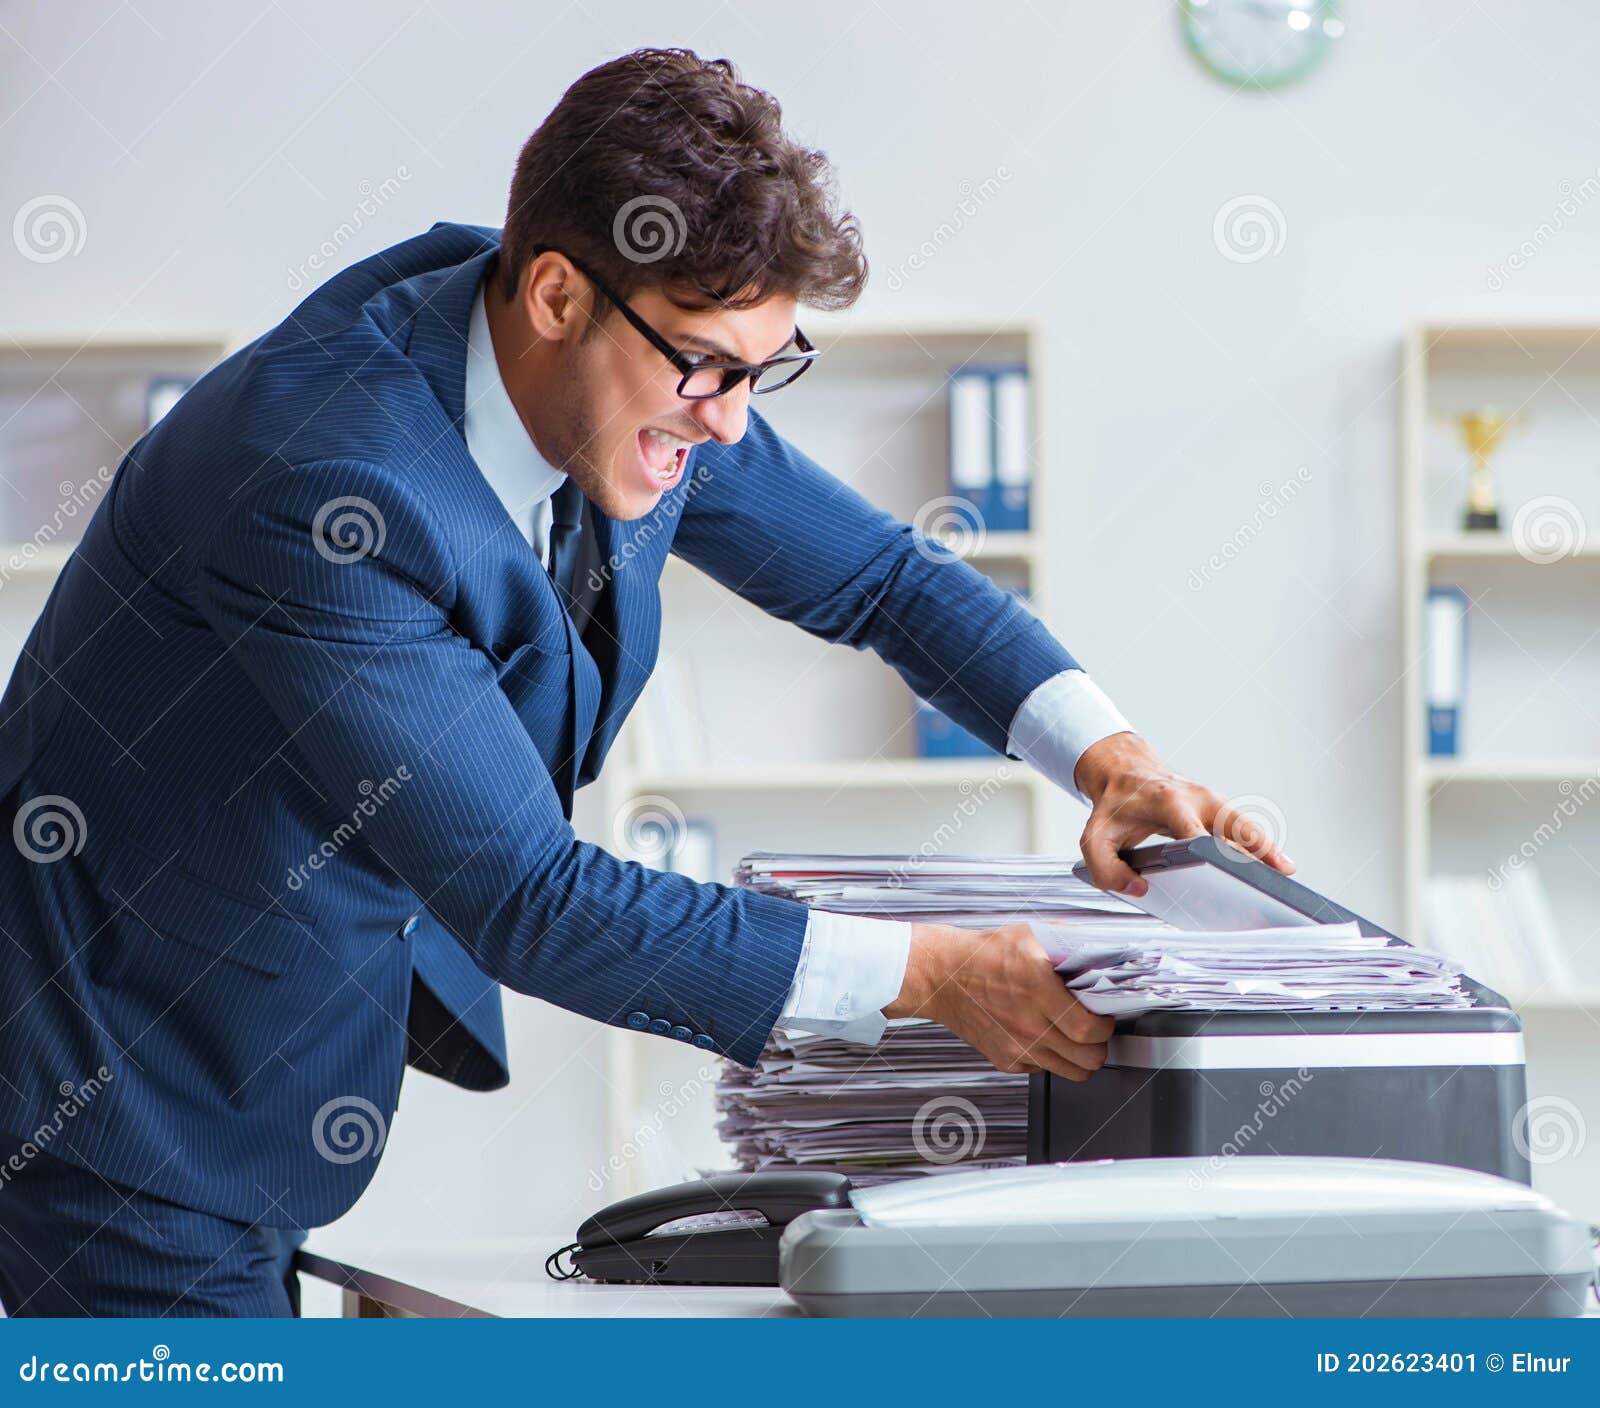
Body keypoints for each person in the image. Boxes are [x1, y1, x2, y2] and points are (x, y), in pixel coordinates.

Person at [0, 47, 1289, 1316]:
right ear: (557, 294)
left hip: (256, 1046)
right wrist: (934, 978)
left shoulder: (612, 362)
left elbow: (880, 580)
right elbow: (531, 899)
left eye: (760, 368)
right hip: (109, 1098)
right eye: (707, 366)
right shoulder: (323, 485)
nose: (730, 421)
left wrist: (1112, 760)